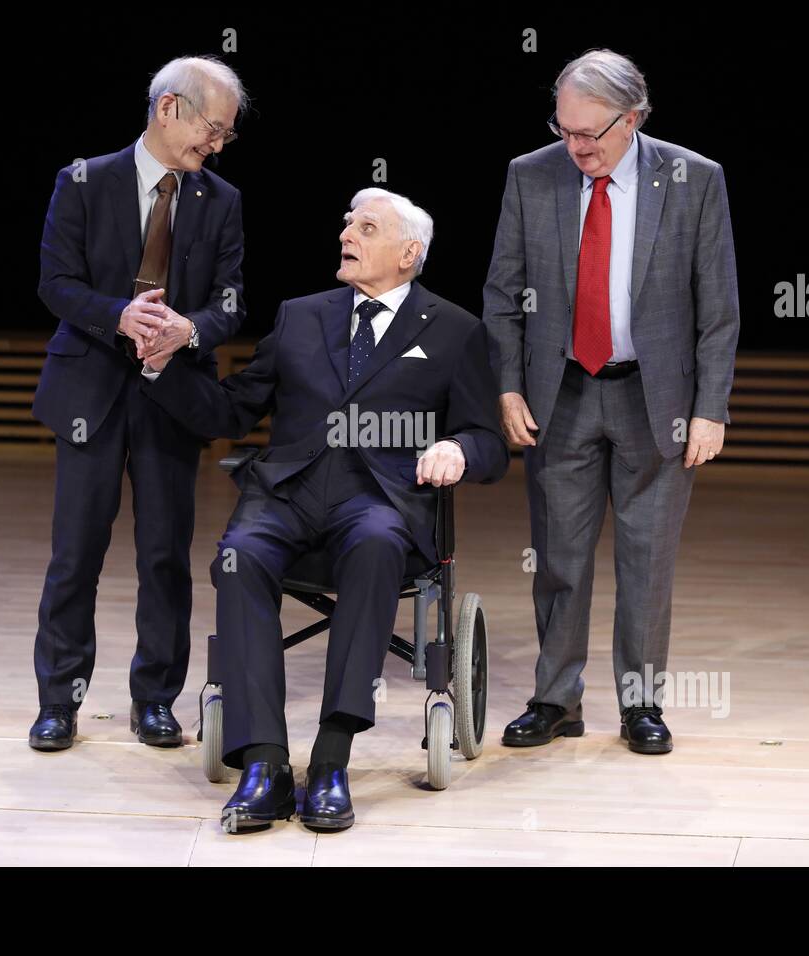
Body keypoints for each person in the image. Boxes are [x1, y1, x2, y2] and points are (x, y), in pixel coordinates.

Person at [141, 188, 509, 831]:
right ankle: (265, 765)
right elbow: (234, 410)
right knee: (240, 555)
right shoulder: (301, 315)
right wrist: (164, 365)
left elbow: (489, 441)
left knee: (374, 545)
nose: (348, 233)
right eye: (347, 222)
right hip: (288, 493)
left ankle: (332, 761)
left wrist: (456, 447)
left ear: (409, 253)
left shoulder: (455, 330)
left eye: (366, 227)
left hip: (382, 500)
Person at [483, 49, 740, 754]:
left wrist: (711, 407)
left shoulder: (694, 178)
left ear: (633, 119)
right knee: (558, 556)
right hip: (560, 393)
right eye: (564, 129)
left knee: (646, 558)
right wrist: (507, 384)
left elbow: (718, 310)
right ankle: (556, 699)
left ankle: (640, 705)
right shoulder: (531, 174)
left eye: (590, 134)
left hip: (655, 398)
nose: (575, 147)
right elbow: (502, 296)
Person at [28, 56, 248, 752]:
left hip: (170, 395)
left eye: (225, 137)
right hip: (90, 387)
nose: (215, 145)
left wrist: (190, 330)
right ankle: (59, 702)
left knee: (163, 555)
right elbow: (55, 284)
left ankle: (156, 698)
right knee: (76, 553)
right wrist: (118, 316)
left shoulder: (223, 200)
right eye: (212, 129)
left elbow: (231, 302)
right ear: (168, 109)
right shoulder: (83, 180)